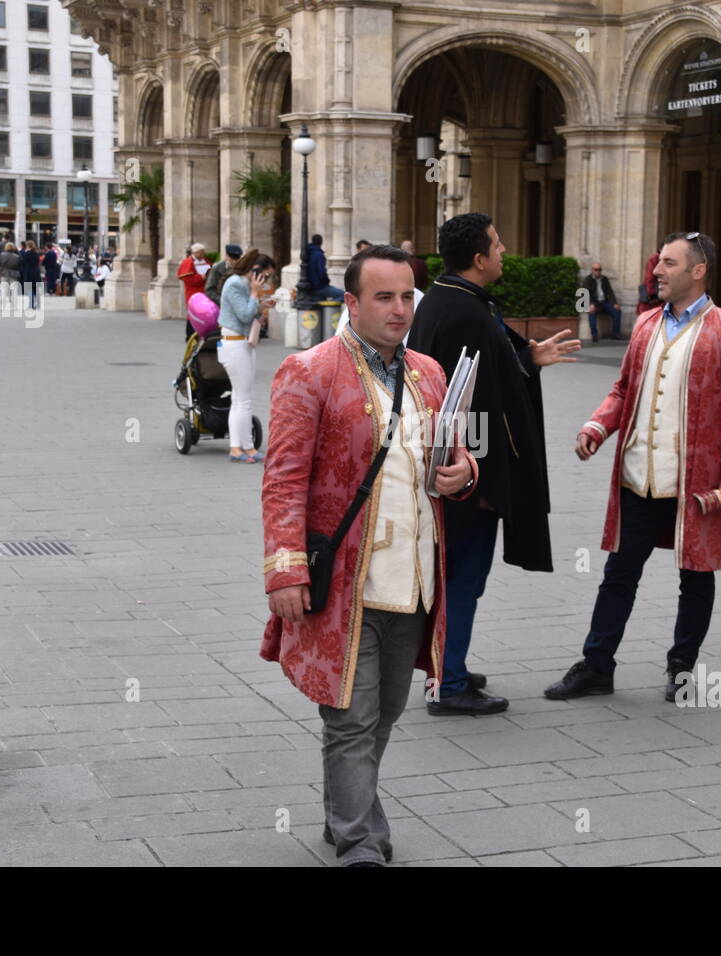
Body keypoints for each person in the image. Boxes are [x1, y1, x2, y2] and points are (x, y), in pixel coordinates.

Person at [261, 243, 477, 866]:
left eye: (408, 296)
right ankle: (361, 842)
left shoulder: (431, 373)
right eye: (385, 297)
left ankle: (342, 814)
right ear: (350, 302)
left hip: (414, 578)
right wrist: (285, 569)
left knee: (385, 712)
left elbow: (455, 460)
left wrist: (463, 474)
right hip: (345, 580)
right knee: (350, 719)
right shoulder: (310, 371)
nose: (400, 309)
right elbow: (283, 479)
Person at [544, 232, 721, 702]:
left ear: (697, 271)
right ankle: (597, 665)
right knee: (620, 572)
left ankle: (681, 668)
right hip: (637, 475)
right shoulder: (644, 325)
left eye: (668, 263)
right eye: (659, 263)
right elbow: (624, 389)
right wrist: (597, 427)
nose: (656, 271)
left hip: (697, 481)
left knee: (696, 575)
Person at [408, 212, 581, 715]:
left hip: (453, 467)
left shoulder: (451, 300)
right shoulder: (465, 312)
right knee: (464, 576)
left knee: (458, 576)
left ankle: (447, 663)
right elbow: (472, 403)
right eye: (499, 246)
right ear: (479, 258)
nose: (504, 253)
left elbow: (489, 381)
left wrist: (528, 360)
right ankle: (450, 683)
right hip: (463, 475)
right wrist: (479, 477)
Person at [218, 249, 275, 463]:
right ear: (256, 270)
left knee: (241, 399)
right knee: (243, 400)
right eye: (266, 275)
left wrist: (262, 304)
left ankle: (244, 447)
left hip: (242, 344)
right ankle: (238, 448)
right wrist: (254, 294)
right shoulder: (235, 284)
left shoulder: (241, 284)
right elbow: (243, 314)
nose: (266, 280)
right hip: (234, 345)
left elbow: (248, 312)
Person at [581, 262, 623, 342]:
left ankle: (615, 333)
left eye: (599, 270)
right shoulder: (588, 280)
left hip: (604, 303)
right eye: (596, 270)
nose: (598, 271)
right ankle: (594, 334)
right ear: (592, 270)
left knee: (617, 310)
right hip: (594, 303)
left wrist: (614, 303)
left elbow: (610, 292)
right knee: (591, 312)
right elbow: (585, 294)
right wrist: (590, 304)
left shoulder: (604, 279)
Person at [305, 234, 344, 301]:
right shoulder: (319, 255)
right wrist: (326, 281)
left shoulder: (308, 253)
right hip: (319, 286)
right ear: (321, 242)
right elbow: (321, 272)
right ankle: (329, 304)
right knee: (344, 295)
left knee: (319, 307)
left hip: (311, 287)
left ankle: (326, 305)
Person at [638, 251, 662, 316]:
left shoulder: (657, 258)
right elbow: (650, 278)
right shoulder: (655, 259)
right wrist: (652, 294)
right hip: (652, 300)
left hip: (656, 298)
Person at [19, 240, 42, 309]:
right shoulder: (36, 253)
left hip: (29, 273)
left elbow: (22, 263)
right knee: (36, 290)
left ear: (28, 246)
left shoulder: (27, 254)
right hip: (36, 273)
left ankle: (31, 304)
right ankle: (37, 304)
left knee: (30, 290)